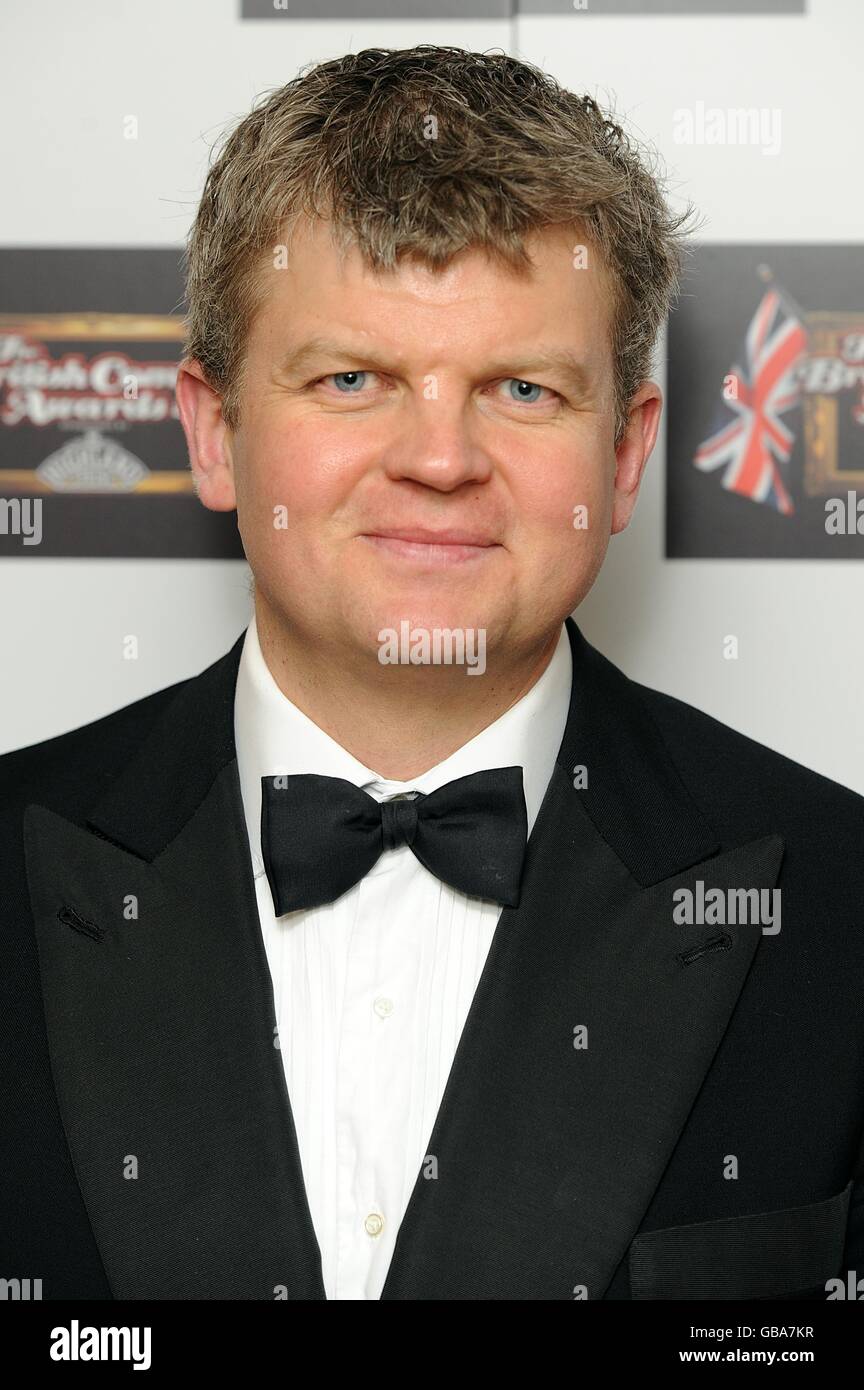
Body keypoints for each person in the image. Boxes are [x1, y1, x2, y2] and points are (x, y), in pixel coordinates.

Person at [2, 45, 862, 1302]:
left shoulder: (843, 905)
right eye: (353, 379)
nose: (441, 459)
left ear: (625, 457)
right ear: (212, 427)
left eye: (522, 387)